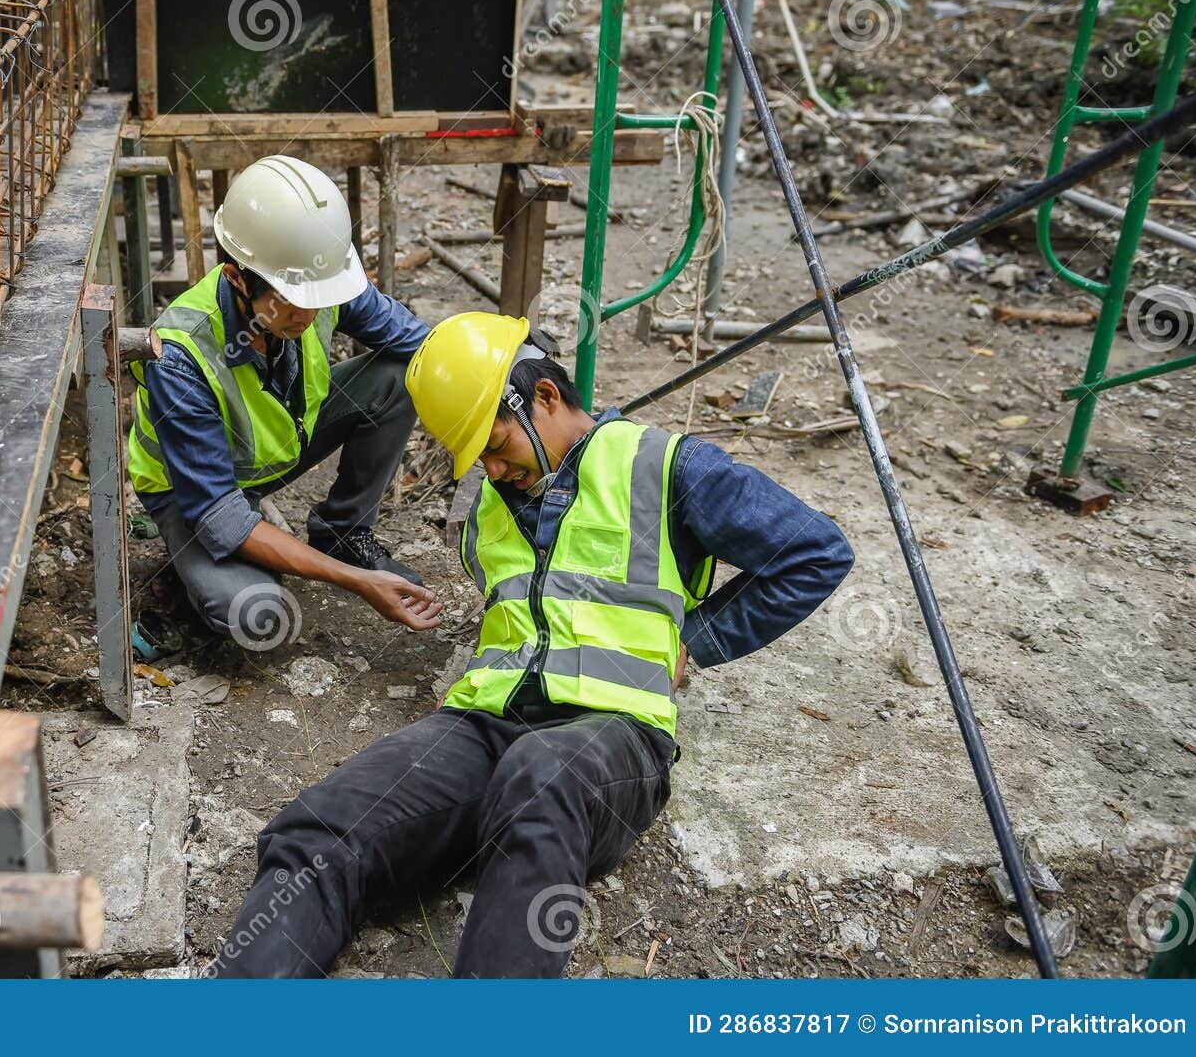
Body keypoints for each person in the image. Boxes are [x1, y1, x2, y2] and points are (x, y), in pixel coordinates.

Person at [210, 312, 855, 977]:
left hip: (612, 735)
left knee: (539, 777)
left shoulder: (667, 467)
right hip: (484, 725)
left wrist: (698, 637)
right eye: (478, 459)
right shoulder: (489, 508)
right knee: (316, 829)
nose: (491, 470)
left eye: (496, 444)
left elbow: (814, 552)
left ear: (545, 395)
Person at [129, 155, 440, 648]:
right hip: (192, 493)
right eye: (291, 300)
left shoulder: (315, 281)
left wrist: (508, 367)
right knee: (258, 614)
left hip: (277, 450)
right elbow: (220, 515)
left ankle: (342, 533)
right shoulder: (182, 355)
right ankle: (186, 577)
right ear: (236, 278)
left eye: (318, 296)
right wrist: (357, 582)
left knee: (403, 373)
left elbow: (423, 344)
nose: (310, 313)